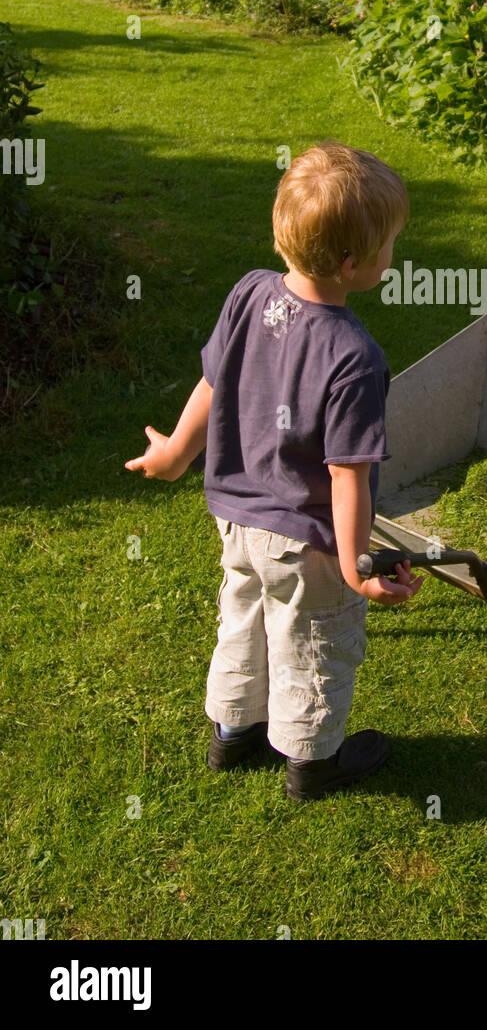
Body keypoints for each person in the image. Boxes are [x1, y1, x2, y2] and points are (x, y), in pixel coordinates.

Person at [125, 139, 424, 800]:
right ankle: (313, 761)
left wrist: (176, 452)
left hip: (237, 518)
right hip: (307, 539)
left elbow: (214, 380)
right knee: (315, 640)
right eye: (390, 246)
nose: (392, 256)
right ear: (353, 264)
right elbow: (346, 477)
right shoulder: (354, 356)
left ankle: (232, 735)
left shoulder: (250, 293)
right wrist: (356, 569)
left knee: (245, 621)